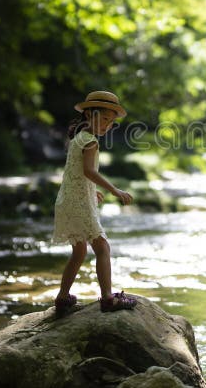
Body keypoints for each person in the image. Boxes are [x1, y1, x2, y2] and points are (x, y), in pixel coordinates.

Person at [52, 90, 137, 313]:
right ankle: (108, 298)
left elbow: (74, 173)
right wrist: (114, 190)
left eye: (111, 121)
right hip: (78, 203)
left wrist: (92, 191)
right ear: (90, 115)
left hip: (68, 200)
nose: (107, 125)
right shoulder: (89, 141)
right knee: (102, 247)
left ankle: (62, 297)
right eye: (105, 119)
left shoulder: (78, 138)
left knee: (79, 251)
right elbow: (89, 171)